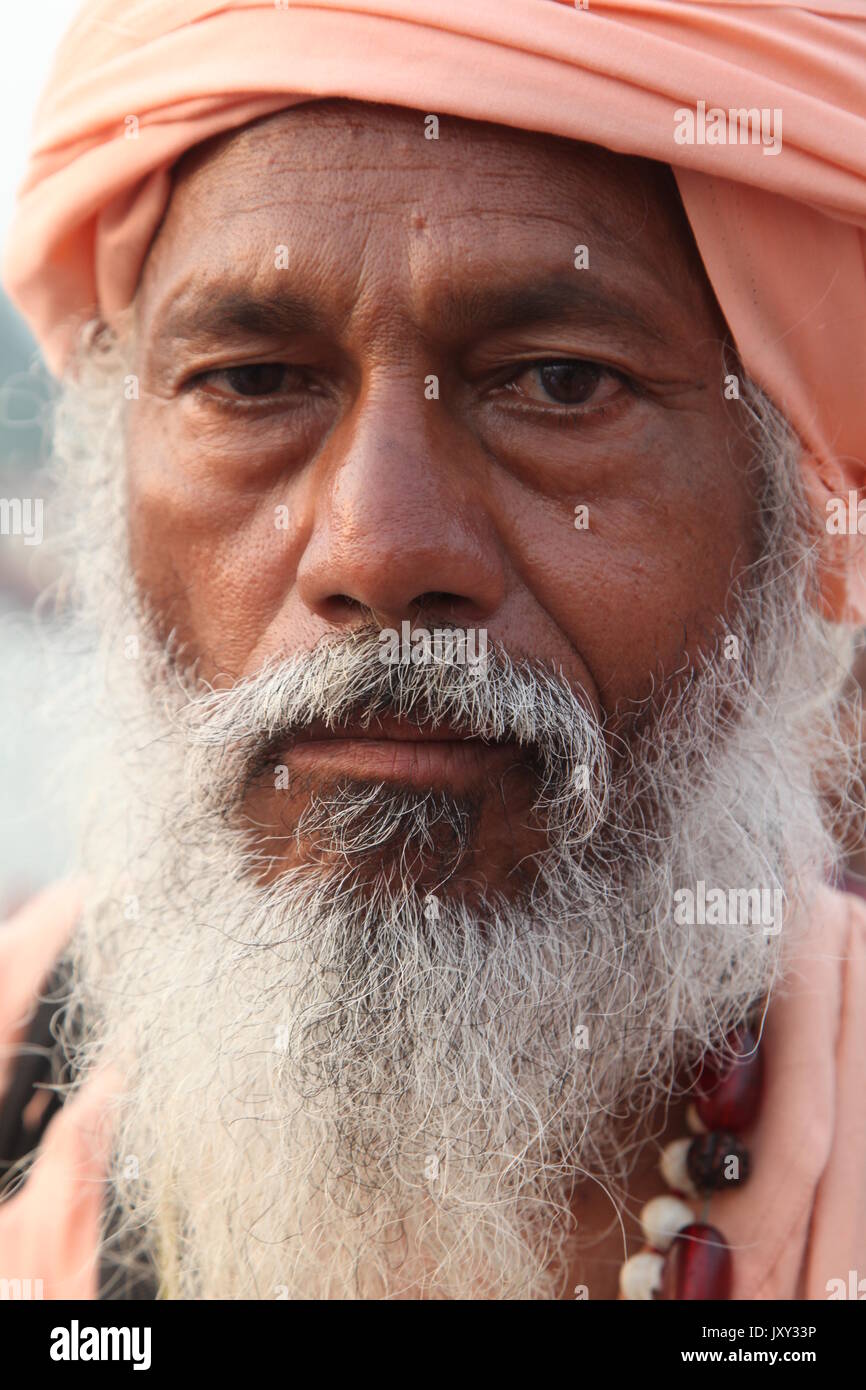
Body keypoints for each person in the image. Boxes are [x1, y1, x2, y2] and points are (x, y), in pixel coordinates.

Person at [0, 0, 865, 1302]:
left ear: (795, 501)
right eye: (250, 381)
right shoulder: (26, 1055)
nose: (374, 549)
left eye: (559, 381)